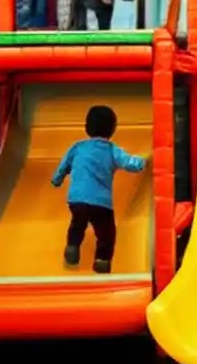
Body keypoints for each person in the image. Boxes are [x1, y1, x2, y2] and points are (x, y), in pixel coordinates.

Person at [52, 105, 147, 274]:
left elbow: (64, 166)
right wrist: (142, 162)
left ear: (87, 127)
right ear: (112, 129)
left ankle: (73, 246)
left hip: (77, 198)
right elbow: (129, 163)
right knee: (106, 234)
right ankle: (102, 260)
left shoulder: (78, 147)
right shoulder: (112, 150)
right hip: (101, 202)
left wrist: (57, 180)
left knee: (77, 223)